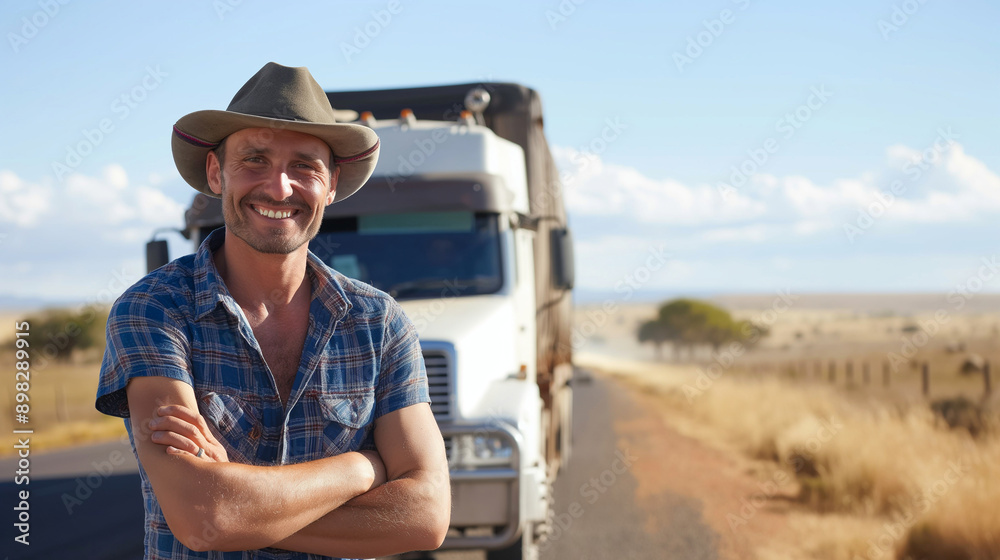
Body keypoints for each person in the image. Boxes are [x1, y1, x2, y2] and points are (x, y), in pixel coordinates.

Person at [95, 62, 451, 560]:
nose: (280, 188)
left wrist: (238, 510)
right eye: (255, 160)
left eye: (305, 165)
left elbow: (426, 517)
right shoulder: (155, 311)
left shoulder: (379, 323)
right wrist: (361, 469)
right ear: (217, 173)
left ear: (330, 184)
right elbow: (204, 518)